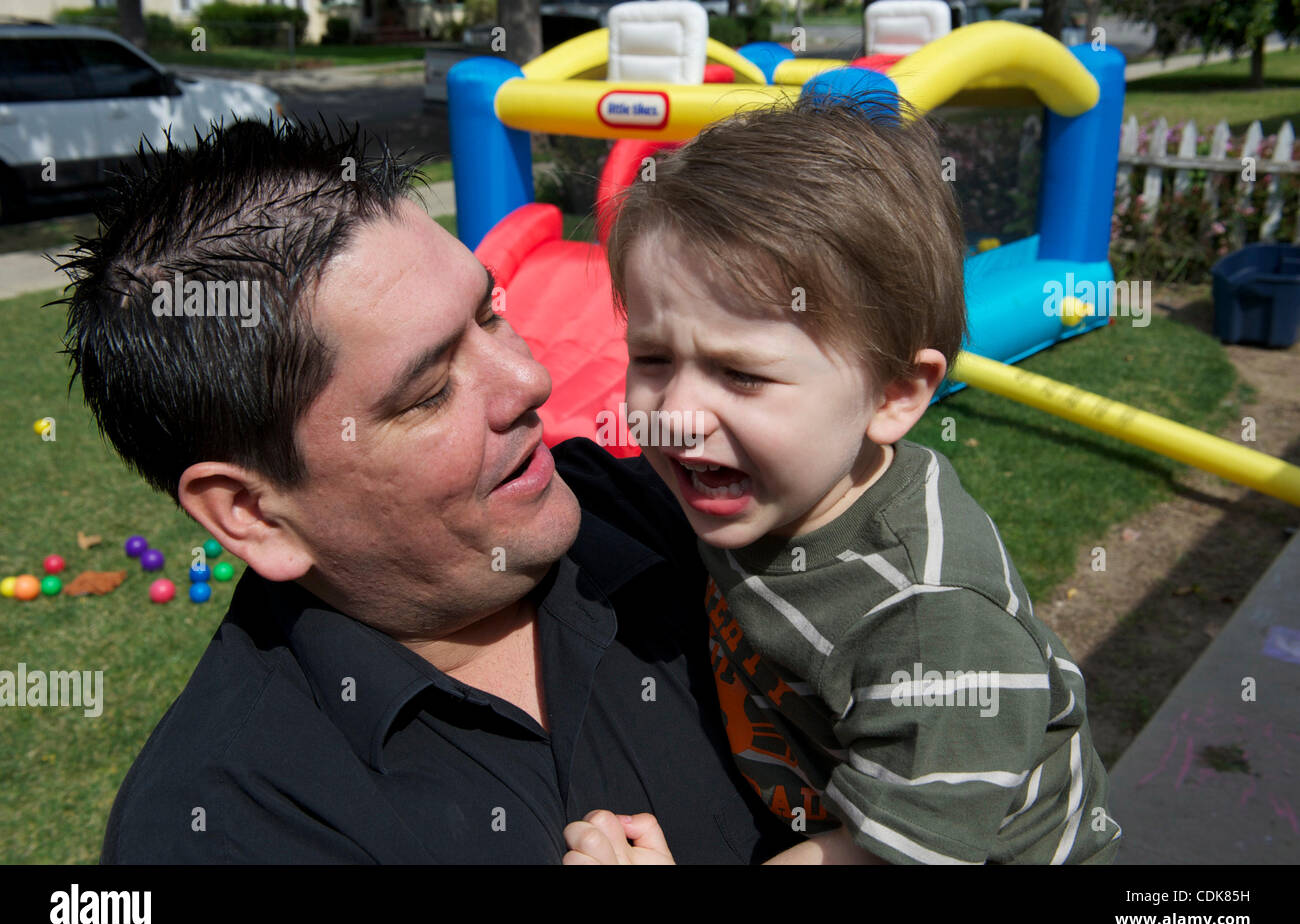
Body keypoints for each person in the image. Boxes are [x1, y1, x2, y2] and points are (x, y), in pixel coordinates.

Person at [61, 119, 799, 863]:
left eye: (491, 315)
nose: (531, 380)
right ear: (254, 515)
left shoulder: (683, 517)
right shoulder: (231, 830)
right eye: (429, 392)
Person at [563, 94, 1122, 865]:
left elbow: (889, 860)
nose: (679, 416)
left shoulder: (931, 626)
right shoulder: (764, 488)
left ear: (895, 393)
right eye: (653, 359)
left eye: (743, 374)